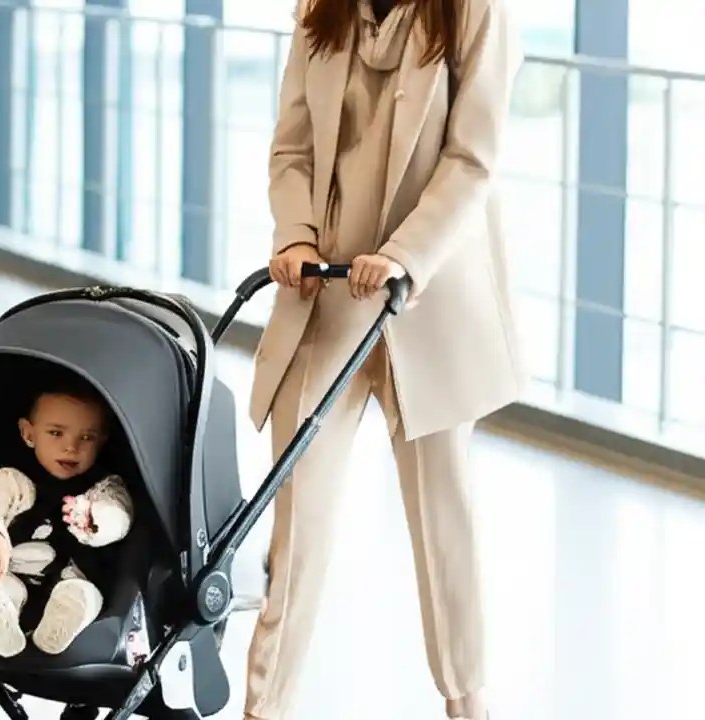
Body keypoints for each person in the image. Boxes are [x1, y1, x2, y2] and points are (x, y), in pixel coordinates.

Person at [245, 0, 523, 718]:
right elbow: (294, 147)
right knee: (295, 523)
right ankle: (262, 707)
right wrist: (296, 234)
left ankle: (469, 706)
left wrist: (403, 255)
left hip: (422, 299)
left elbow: (472, 159)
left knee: (443, 526)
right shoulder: (320, 11)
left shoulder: (474, 11)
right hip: (327, 293)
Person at [0, 378, 135, 659]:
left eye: (87, 437)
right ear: (29, 433)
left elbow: (120, 516)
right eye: (56, 433)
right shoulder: (12, 480)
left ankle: (58, 627)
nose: (71, 447)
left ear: (103, 440)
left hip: (72, 577)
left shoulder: (104, 489)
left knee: (85, 595)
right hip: (12, 572)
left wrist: (95, 521)